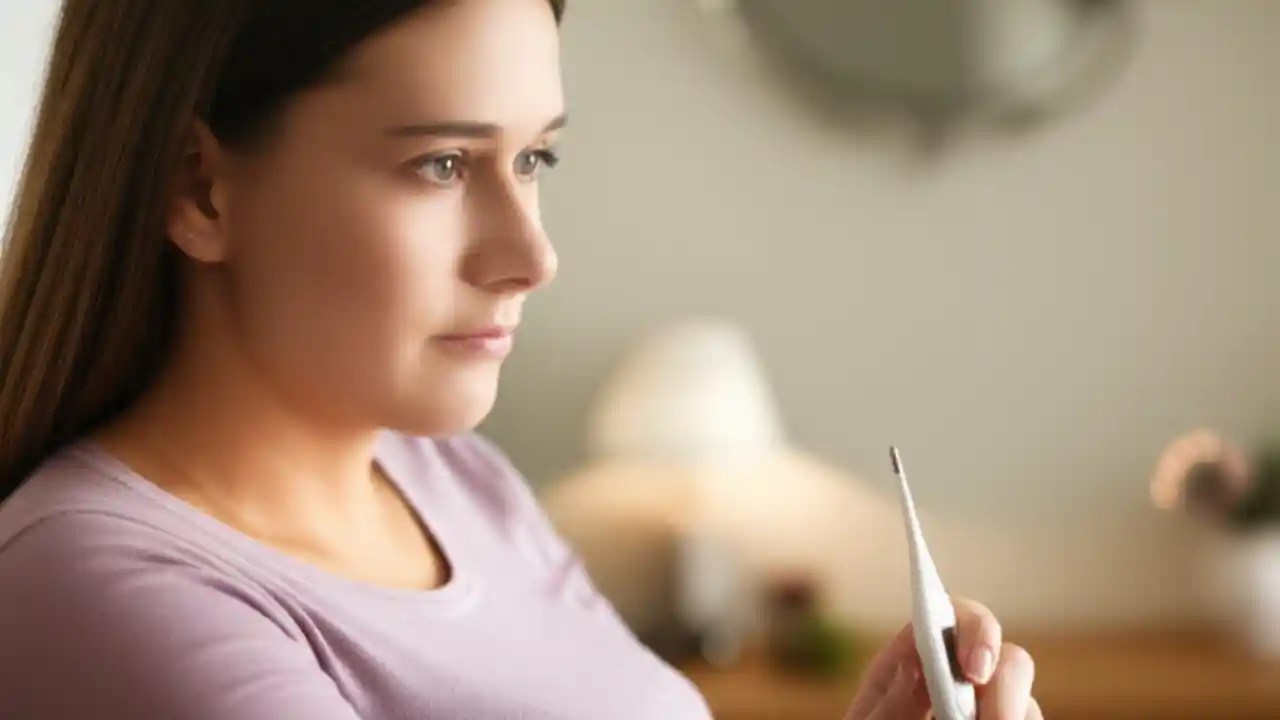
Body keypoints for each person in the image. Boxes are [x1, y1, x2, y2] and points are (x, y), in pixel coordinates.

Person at [0, 1, 1039, 717]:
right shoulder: (94, 590)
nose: (530, 257)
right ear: (198, 189)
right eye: (441, 163)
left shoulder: (461, 485)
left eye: (533, 158)